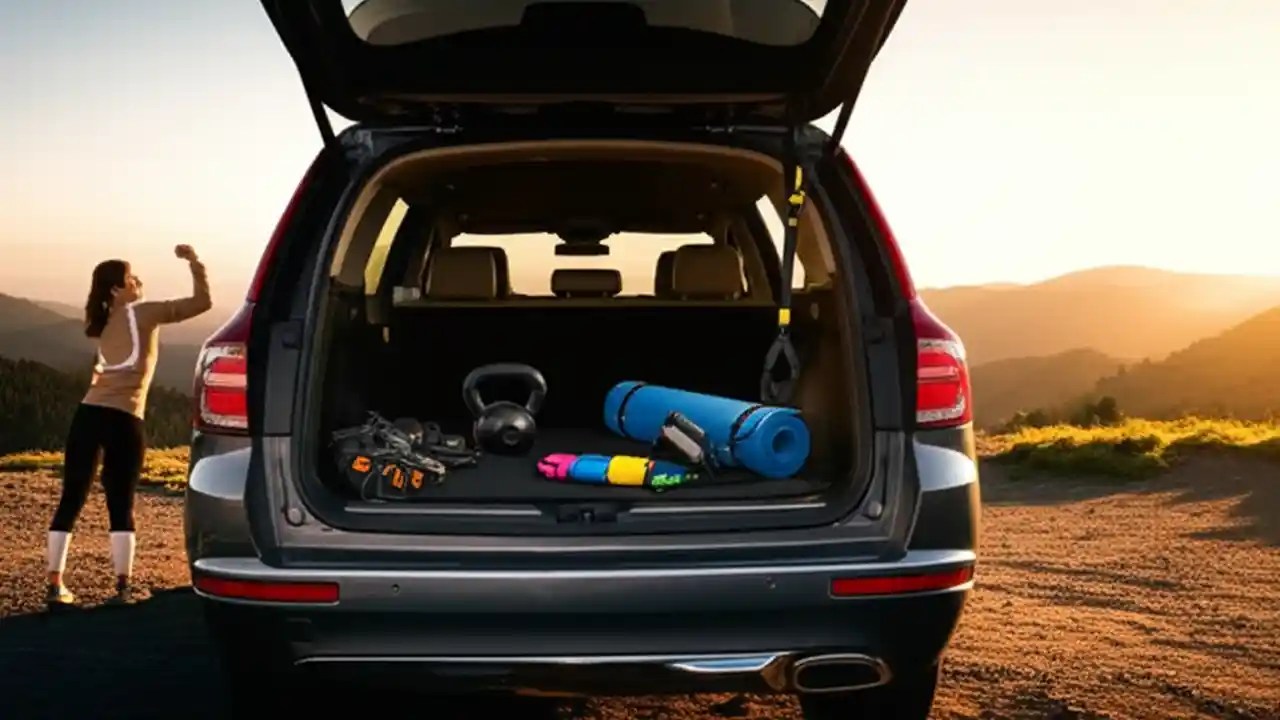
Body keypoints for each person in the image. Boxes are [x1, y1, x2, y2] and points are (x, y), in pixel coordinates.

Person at [45, 244, 213, 608]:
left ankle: (55, 585)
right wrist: (194, 263)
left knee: (71, 497)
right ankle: (122, 589)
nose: (138, 281)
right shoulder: (143, 312)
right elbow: (201, 304)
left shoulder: (100, 322)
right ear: (117, 290)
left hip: (87, 413)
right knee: (120, 502)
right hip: (124, 417)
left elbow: (101, 370)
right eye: (131, 278)